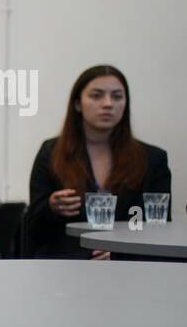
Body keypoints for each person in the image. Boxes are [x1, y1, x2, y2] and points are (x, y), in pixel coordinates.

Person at [25, 65, 171, 259]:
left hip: (131, 266)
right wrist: (51, 208)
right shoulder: (51, 152)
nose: (108, 104)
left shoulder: (153, 158)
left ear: (126, 104)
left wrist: (120, 254)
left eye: (117, 96)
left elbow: (158, 228)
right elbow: (33, 231)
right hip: (66, 267)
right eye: (96, 96)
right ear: (77, 103)